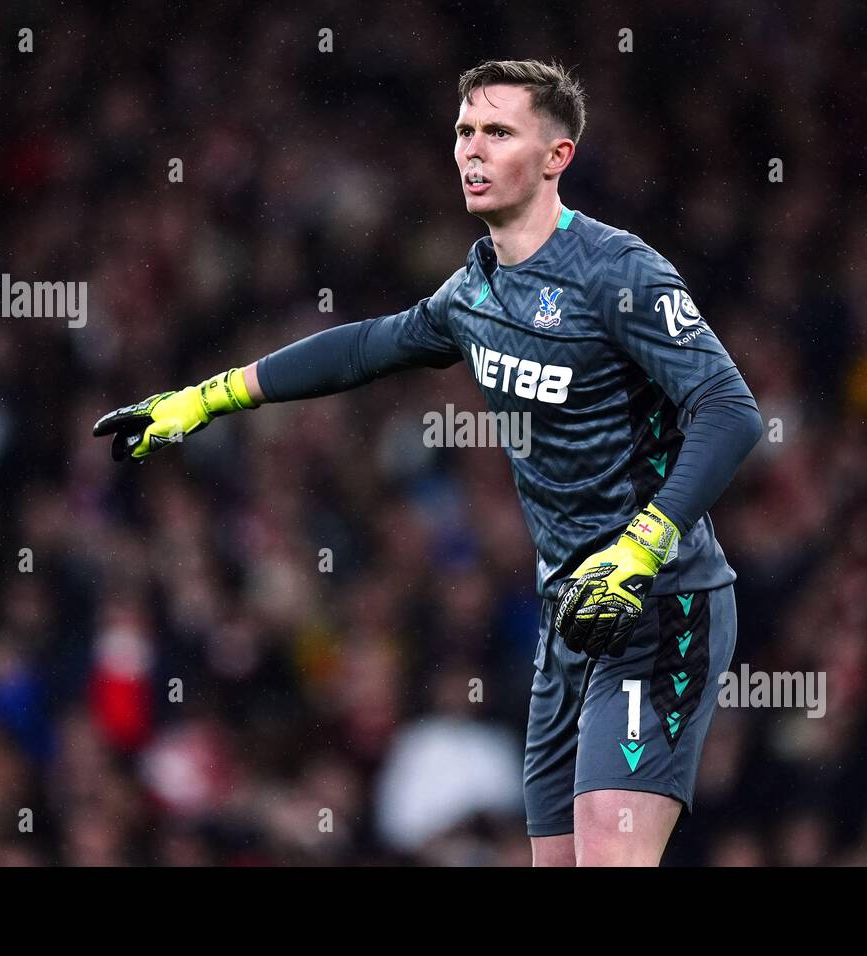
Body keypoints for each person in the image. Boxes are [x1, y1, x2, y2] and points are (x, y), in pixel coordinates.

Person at [94, 59, 763, 866]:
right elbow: (368, 347)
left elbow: (730, 411)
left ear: (557, 157)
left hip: (658, 604)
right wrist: (207, 399)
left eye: (499, 132)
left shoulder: (620, 273)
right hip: (569, 618)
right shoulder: (475, 291)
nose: (472, 151)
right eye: (464, 132)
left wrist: (644, 540)